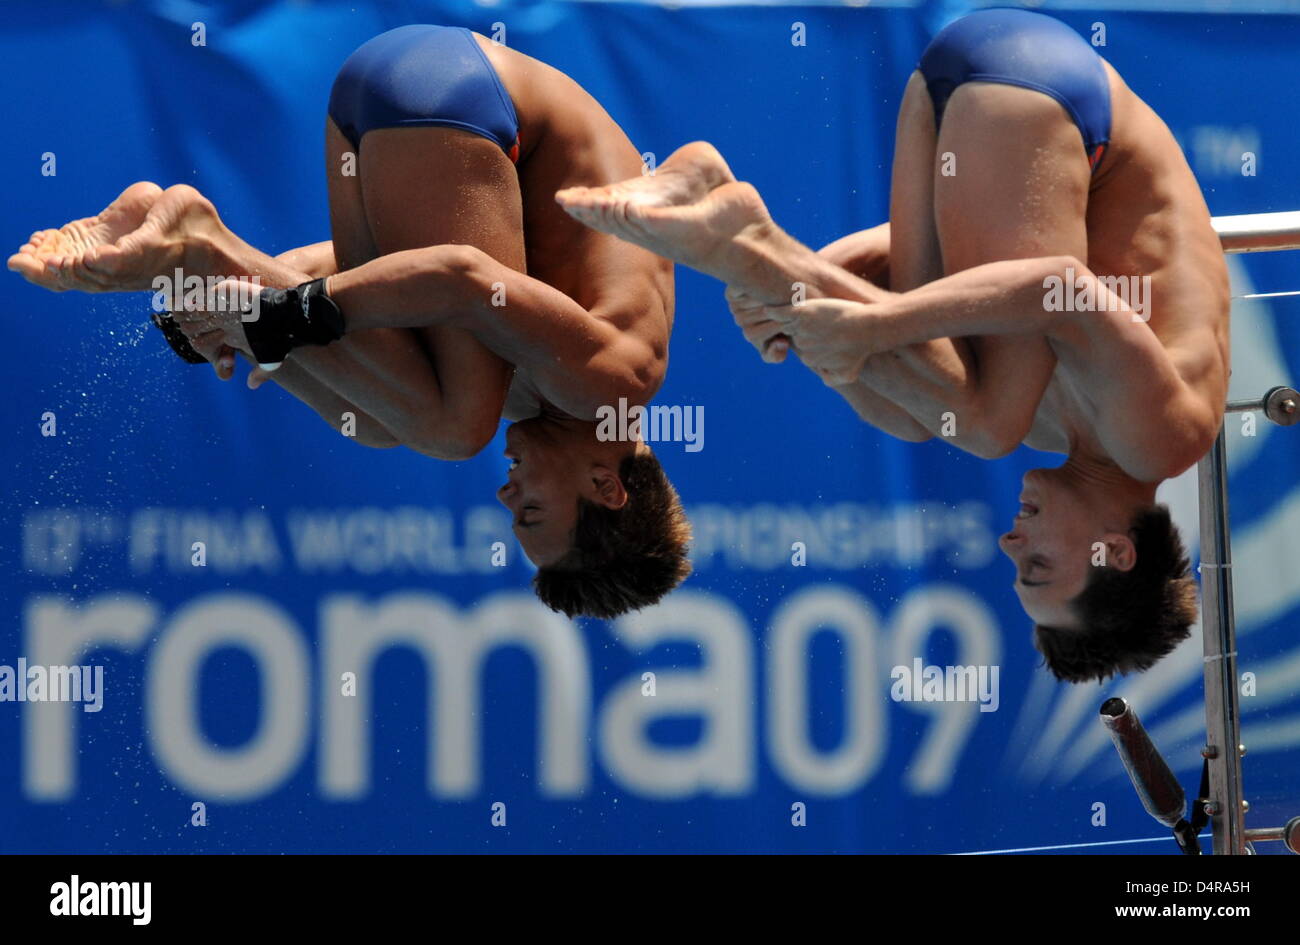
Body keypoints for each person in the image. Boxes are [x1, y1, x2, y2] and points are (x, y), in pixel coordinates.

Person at [555, 8, 1228, 680]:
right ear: (1117, 552)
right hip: (1049, 93)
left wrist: (809, 298)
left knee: (918, 415)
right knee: (985, 421)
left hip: (962, 85)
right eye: (1038, 564)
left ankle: (735, 221)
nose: (1009, 541)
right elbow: (1061, 287)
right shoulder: (1164, 437)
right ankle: (750, 245)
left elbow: (963, 249)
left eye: (1015, 566)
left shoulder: (1059, 426)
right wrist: (864, 319)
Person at [8, 25, 692, 619]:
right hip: (456, 96)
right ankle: (204, 247)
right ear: (606, 488)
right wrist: (289, 314)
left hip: (390, 92)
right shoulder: (614, 382)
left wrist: (242, 303)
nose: (505, 491)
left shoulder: (552, 389)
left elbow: (408, 264)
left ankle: (208, 268)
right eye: (529, 510)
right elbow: (459, 274)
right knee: (455, 425)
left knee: (376, 421)